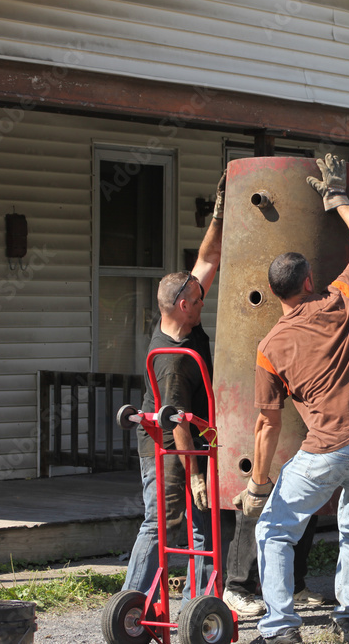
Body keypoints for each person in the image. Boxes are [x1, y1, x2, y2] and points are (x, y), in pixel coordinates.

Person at [234, 154, 349, 644]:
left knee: (274, 531)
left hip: (331, 449)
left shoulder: (269, 349)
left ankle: (282, 628)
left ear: (273, 292)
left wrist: (259, 485)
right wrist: (338, 198)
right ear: (308, 282)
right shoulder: (340, 299)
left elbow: (266, 425)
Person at [122, 173, 225, 602]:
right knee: (162, 521)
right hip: (168, 444)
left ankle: (197, 607)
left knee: (203, 525)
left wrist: (219, 213)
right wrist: (195, 473)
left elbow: (209, 259)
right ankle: (132, 600)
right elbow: (177, 419)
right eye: (200, 300)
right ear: (184, 306)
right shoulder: (172, 361)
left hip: (194, 438)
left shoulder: (182, 321)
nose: (206, 302)